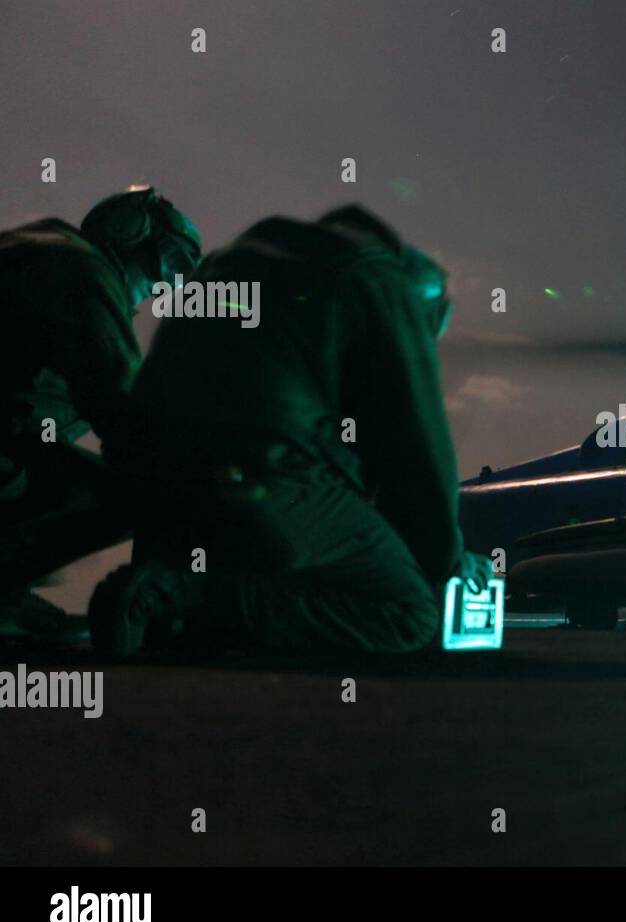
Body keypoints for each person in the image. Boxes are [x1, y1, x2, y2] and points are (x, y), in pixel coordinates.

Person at [91, 205, 490, 658]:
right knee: (408, 612)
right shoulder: (379, 279)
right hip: (256, 471)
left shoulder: (233, 260)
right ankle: (176, 600)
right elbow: (415, 452)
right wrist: (447, 564)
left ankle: (177, 607)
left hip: (154, 483)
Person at [0, 187, 200, 633]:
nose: (166, 282)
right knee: (137, 492)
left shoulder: (37, 249)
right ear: (129, 232)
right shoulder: (83, 273)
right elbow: (124, 408)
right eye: (168, 259)